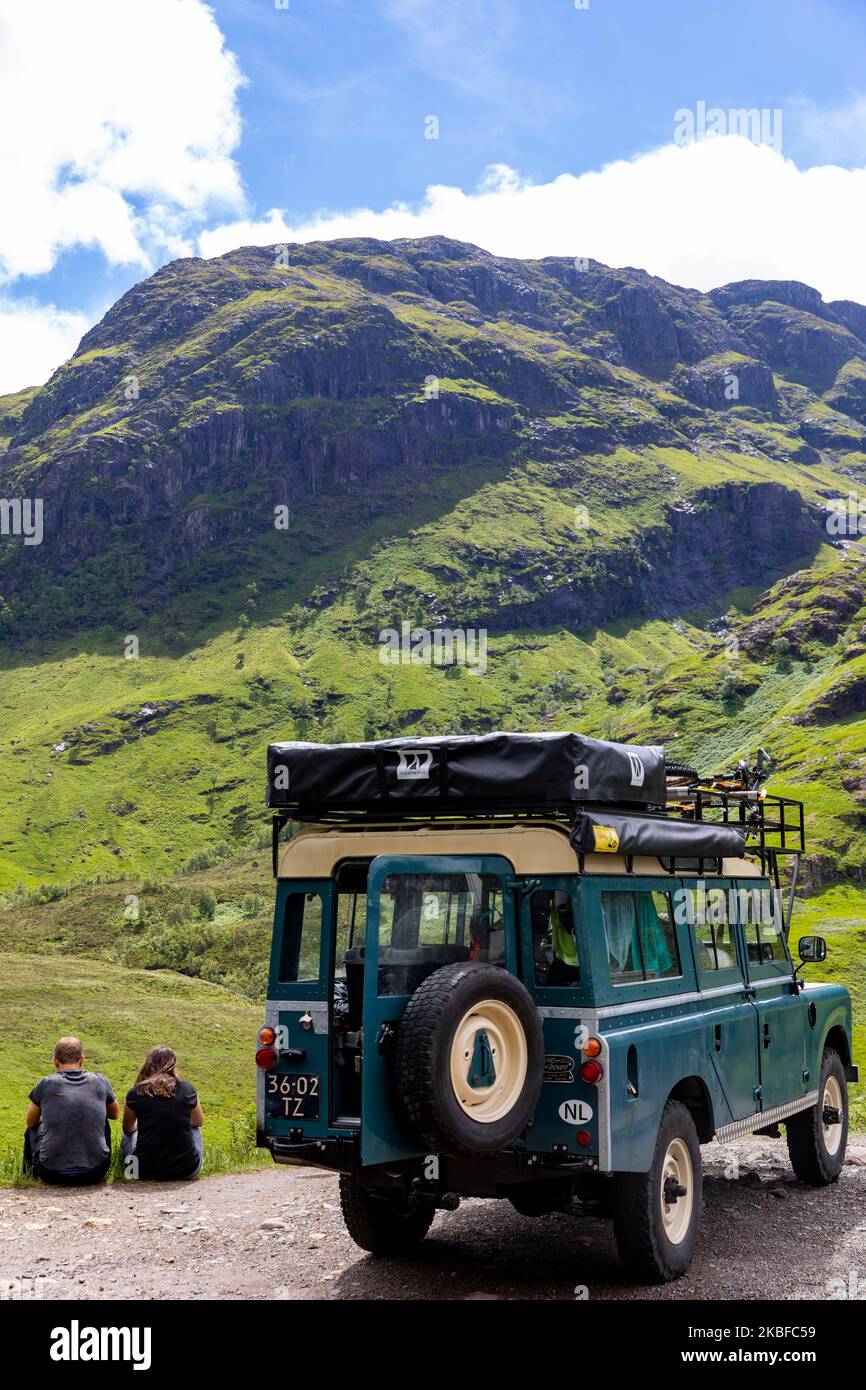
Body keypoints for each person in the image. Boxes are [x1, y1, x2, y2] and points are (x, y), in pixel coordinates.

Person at [24, 1036, 118, 1186]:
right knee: (104, 1121)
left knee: (31, 1129)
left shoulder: (46, 1083)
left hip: (51, 1174)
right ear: (81, 1060)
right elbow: (115, 1114)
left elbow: (30, 1122)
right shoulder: (100, 1080)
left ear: (55, 1061)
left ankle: (28, 1175)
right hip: (95, 1172)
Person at [122, 1046, 204, 1181]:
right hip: (187, 1170)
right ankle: (187, 1159)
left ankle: (130, 1170)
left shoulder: (136, 1092)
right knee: (194, 1127)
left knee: (126, 1134)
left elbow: (127, 1128)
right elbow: (198, 1121)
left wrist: (146, 1122)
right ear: (173, 1065)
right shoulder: (187, 1088)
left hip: (143, 1171)